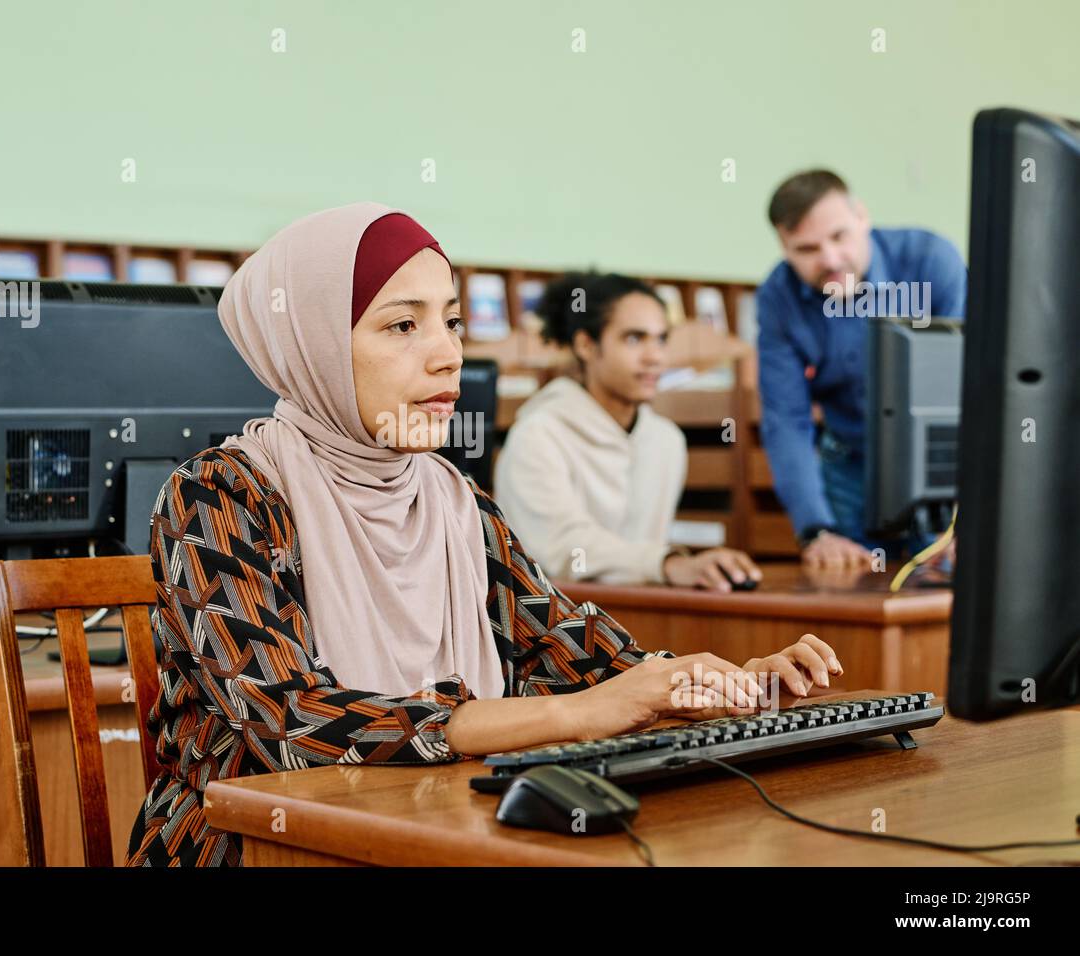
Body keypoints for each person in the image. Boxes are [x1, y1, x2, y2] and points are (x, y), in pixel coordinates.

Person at [125, 203, 843, 867]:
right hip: (253, 846)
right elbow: (293, 726)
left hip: (427, 828)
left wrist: (720, 685)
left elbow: (580, 654)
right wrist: (574, 715)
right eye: (404, 326)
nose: (446, 356)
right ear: (308, 345)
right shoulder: (219, 494)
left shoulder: (454, 500)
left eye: (453, 322)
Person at [494, 272, 760, 592]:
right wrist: (667, 563)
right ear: (586, 345)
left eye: (661, 339)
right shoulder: (537, 435)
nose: (655, 357)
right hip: (556, 629)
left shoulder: (667, 441)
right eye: (634, 338)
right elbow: (562, 549)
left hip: (643, 616)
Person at [756, 170, 966, 569]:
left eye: (839, 237)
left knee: (954, 581)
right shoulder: (777, 299)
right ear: (784, 247)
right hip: (849, 461)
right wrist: (815, 530)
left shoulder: (930, 259)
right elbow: (786, 420)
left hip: (945, 460)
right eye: (807, 248)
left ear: (862, 217)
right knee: (850, 583)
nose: (830, 260)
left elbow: (975, 382)